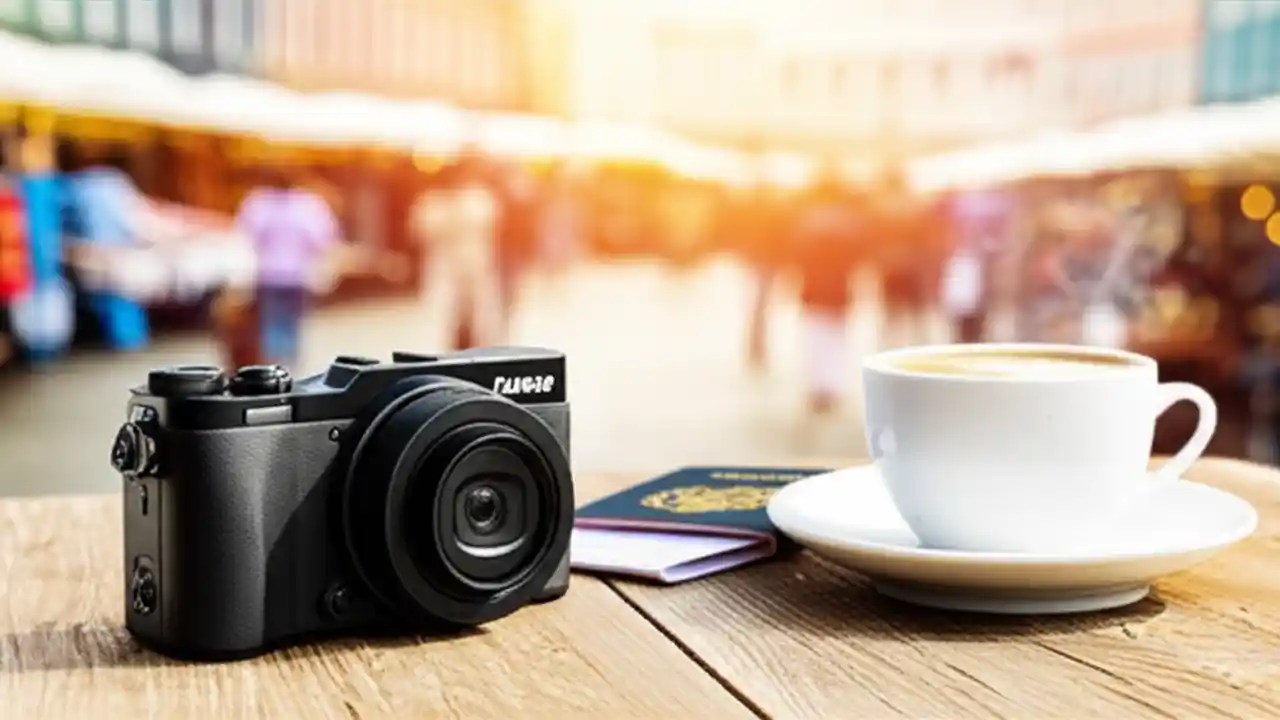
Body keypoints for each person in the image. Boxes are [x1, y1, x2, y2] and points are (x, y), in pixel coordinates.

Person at [235, 165, 341, 367]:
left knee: (271, 320)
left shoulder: (259, 204)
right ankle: (289, 361)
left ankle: (274, 361)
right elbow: (322, 239)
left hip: (268, 273)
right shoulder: (308, 206)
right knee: (293, 321)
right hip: (298, 274)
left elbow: (246, 234)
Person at [408, 158, 503, 350]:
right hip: (445, 267)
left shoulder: (477, 197)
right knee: (447, 315)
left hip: (475, 264)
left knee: (478, 315)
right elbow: (422, 231)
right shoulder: (432, 202)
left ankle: (476, 347)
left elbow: (488, 222)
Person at [791, 177, 863, 415]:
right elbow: (856, 257)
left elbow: (797, 255)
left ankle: (817, 385)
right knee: (836, 340)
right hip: (838, 289)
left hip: (814, 288)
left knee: (815, 339)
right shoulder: (848, 224)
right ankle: (832, 386)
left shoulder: (808, 222)